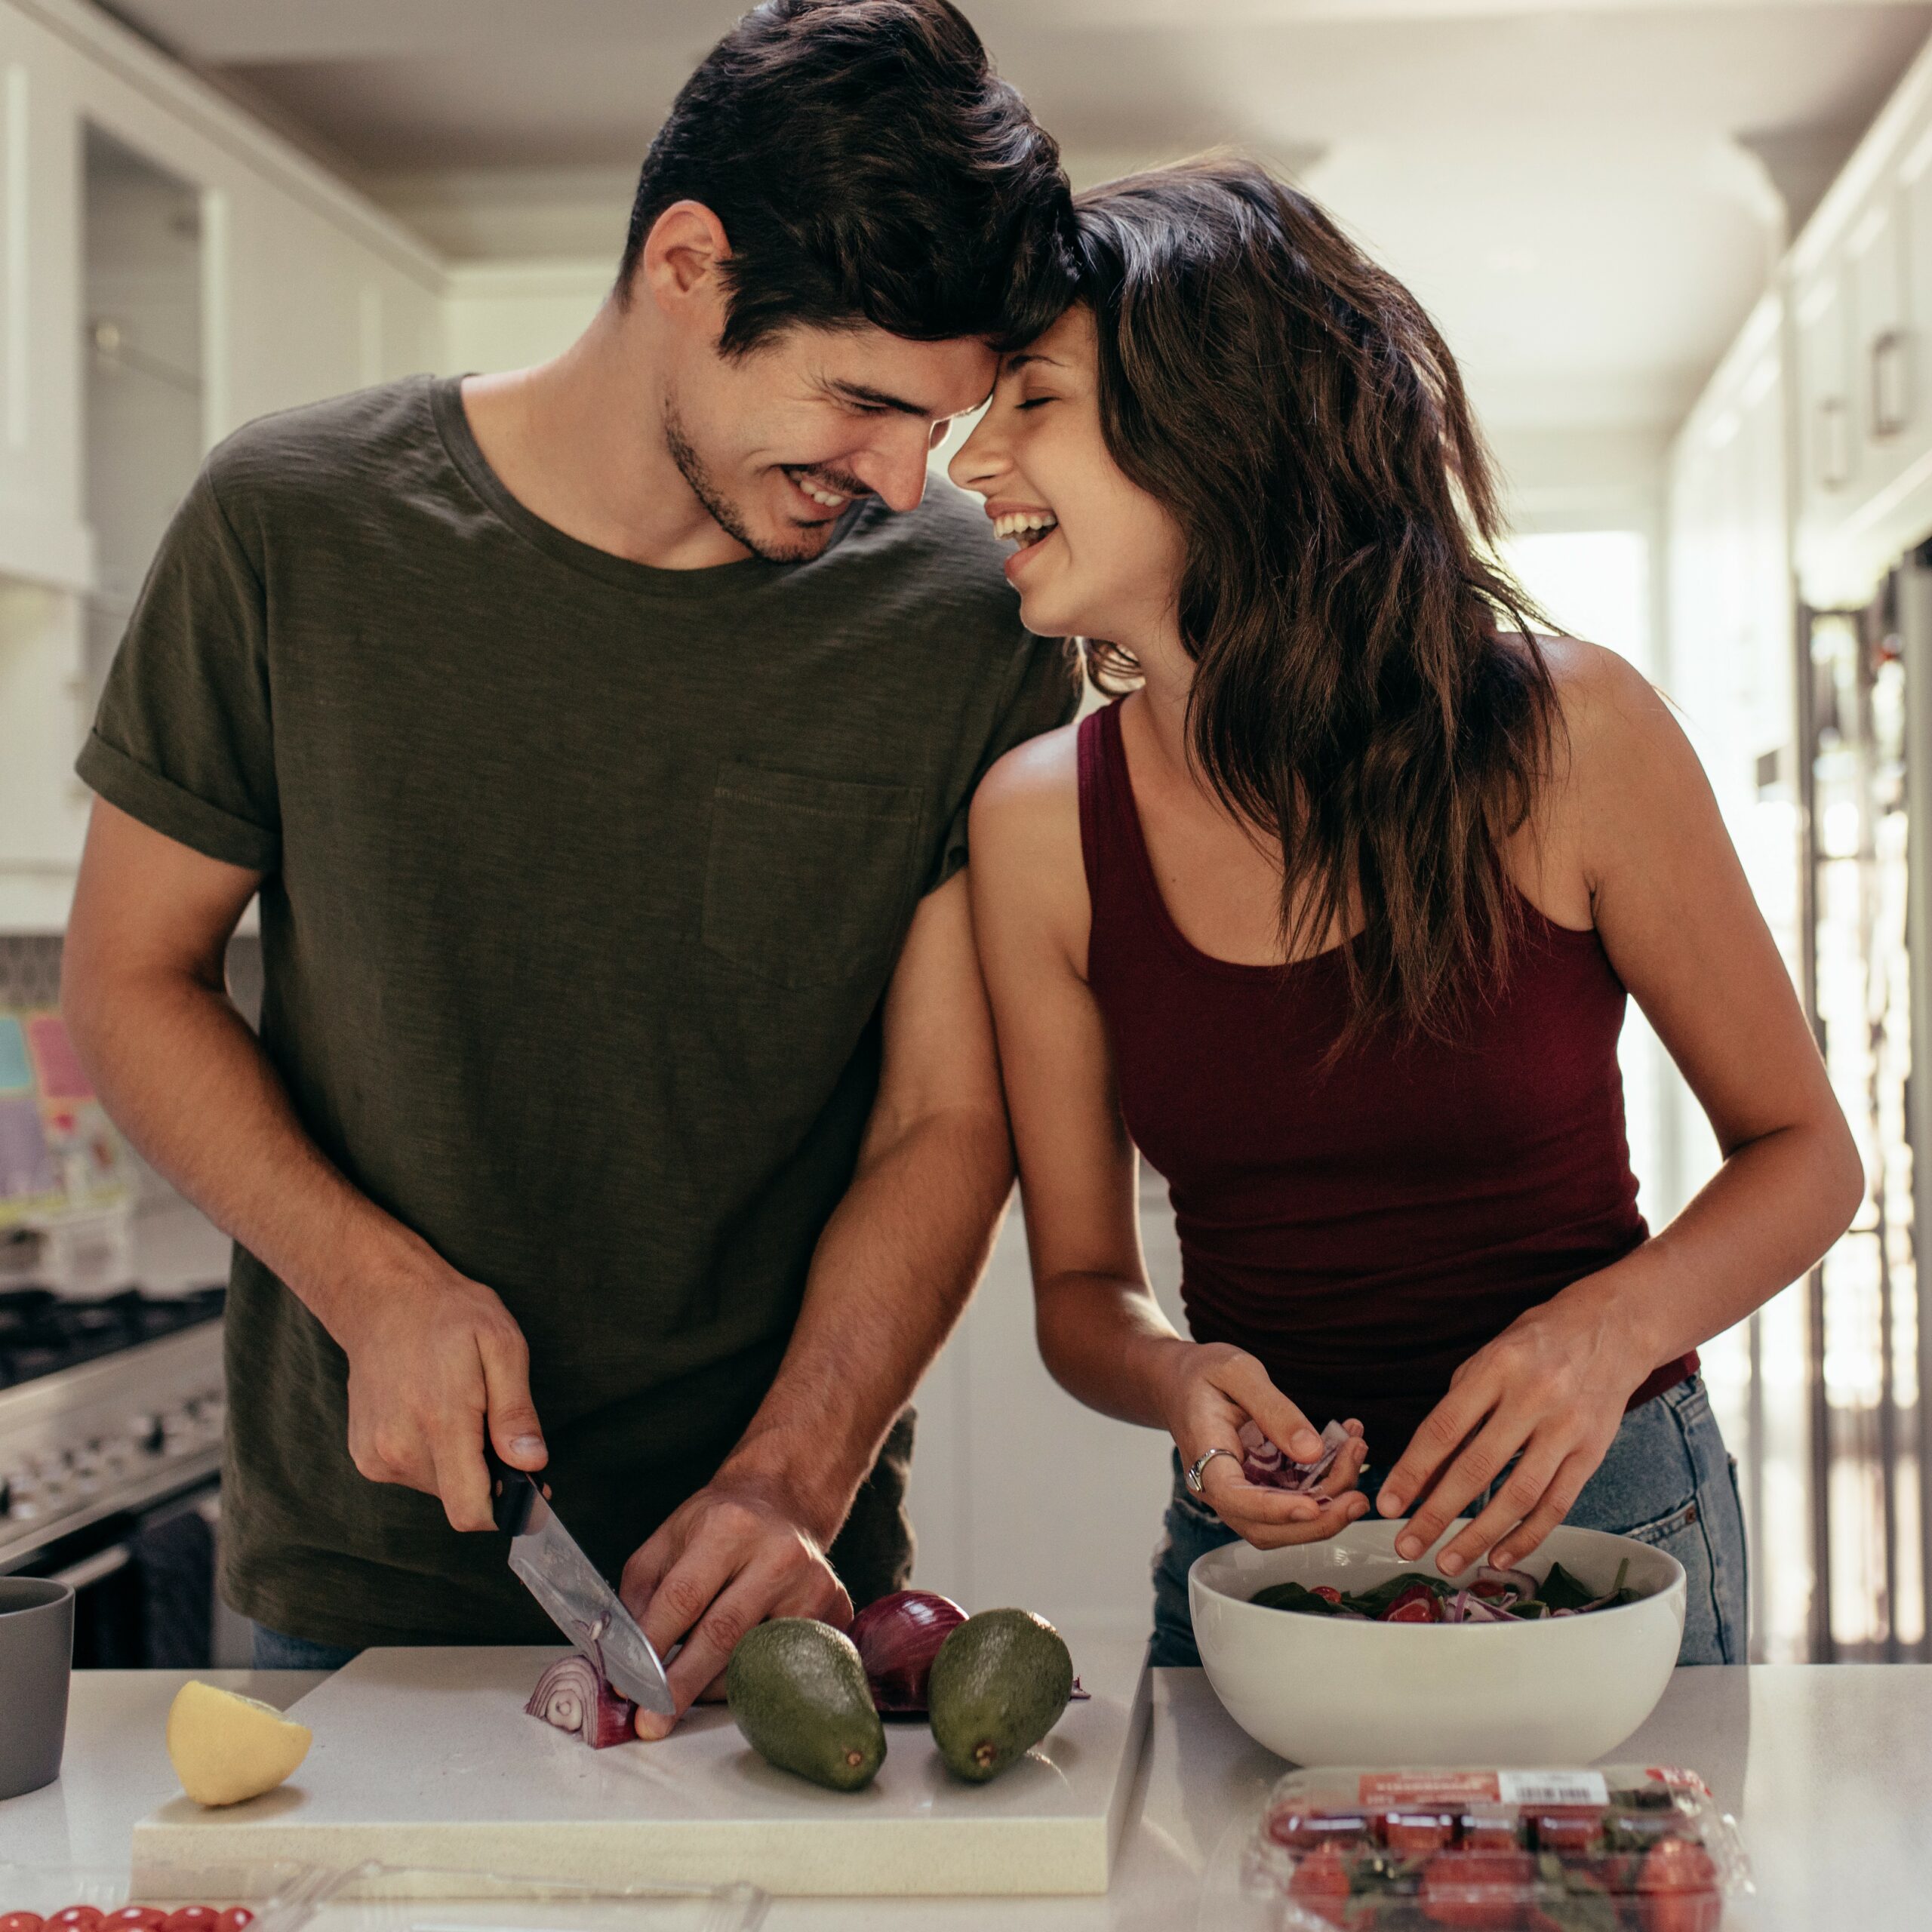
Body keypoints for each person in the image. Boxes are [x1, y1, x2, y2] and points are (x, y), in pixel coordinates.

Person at [60, 0, 1078, 1729]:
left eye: (941, 417)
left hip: (777, 1584)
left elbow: (941, 1116)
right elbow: (128, 977)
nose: (911, 479)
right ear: (688, 264)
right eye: (860, 400)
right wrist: (371, 1284)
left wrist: (794, 1475)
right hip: (362, 1587)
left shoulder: (958, 621)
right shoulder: (290, 524)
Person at [955, 158, 1863, 1666]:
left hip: (1612, 1524)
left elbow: (1806, 1155)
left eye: (1030, 400)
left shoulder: (1566, 733)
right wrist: (1175, 1378)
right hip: (1259, 1563)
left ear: (1210, 420)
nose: (970, 458)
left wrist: (1604, 1334)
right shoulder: (1037, 822)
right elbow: (1077, 1285)